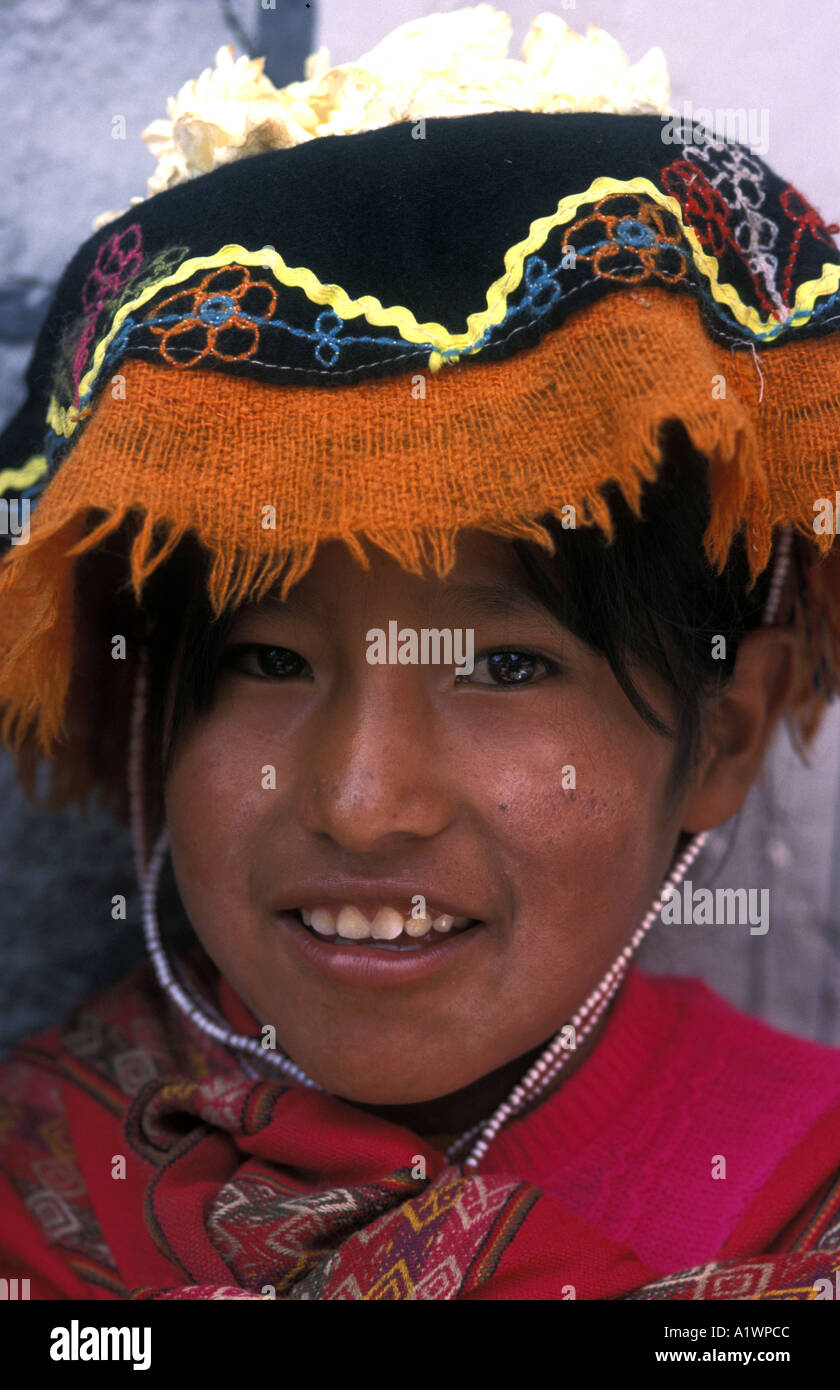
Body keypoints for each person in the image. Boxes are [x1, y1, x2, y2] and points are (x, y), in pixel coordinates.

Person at [1, 16, 840, 1301]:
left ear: (724, 734)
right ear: (159, 702)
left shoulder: (802, 1198)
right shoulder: (39, 1189)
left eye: (503, 667)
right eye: (270, 660)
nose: (360, 801)